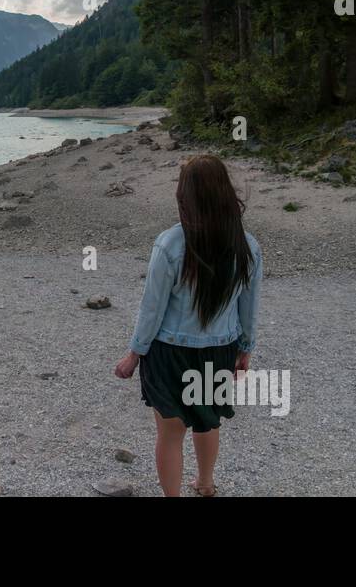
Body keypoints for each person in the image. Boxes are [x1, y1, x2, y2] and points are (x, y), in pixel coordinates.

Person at [113, 154, 263, 496]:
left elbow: (152, 309)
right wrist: (246, 348)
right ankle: (205, 483)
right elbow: (249, 306)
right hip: (219, 350)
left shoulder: (169, 244)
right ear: (226, 193)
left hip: (170, 353)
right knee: (208, 421)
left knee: (170, 434)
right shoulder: (248, 246)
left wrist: (134, 354)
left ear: (185, 196)